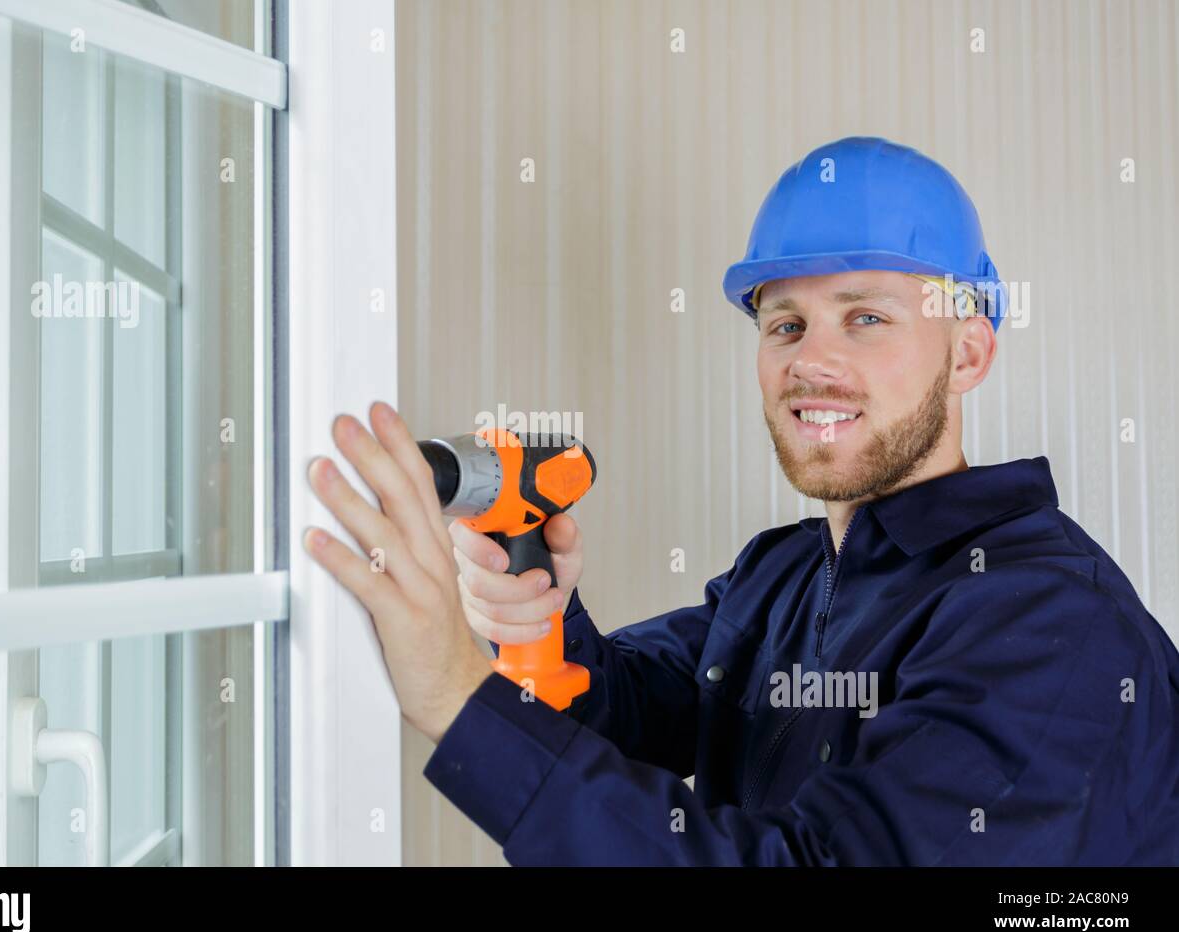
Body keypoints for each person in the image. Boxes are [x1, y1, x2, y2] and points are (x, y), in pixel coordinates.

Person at [304, 136, 1179, 865]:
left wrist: (457, 700)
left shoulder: (1054, 625)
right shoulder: (788, 574)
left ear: (969, 353)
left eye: (866, 317)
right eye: (785, 323)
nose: (811, 362)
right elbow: (624, 705)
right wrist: (540, 624)